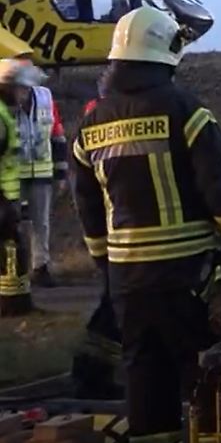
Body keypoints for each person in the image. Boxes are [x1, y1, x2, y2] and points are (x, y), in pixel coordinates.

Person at [69, 6, 221, 443]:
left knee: (145, 377)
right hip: (188, 275)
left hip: (129, 281)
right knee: (206, 374)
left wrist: (106, 267)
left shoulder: (91, 124)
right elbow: (220, 192)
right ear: (166, 52)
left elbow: (88, 209)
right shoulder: (186, 111)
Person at [71, 65, 124, 399]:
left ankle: (92, 372)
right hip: (122, 232)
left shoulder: (95, 122)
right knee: (114, 308)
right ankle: (91, 375)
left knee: (113, 305)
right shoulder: (105, 123)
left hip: (113, 233)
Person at [11, 54, 66, 288]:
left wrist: (60, 174)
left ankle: (40, 267)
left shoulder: (45, 98)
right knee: (12, 223)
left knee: (41, 223)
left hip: (41, 173)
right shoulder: (5, 104)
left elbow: (57, 135)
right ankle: (13, 271)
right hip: (12, 175)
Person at [0, 61, 34, 316]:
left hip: (7, 195)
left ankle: (14, 303)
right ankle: (12, 306)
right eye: (21, 89)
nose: (24, 94)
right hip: (2, 197)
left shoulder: (5, 113)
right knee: (12, 249)